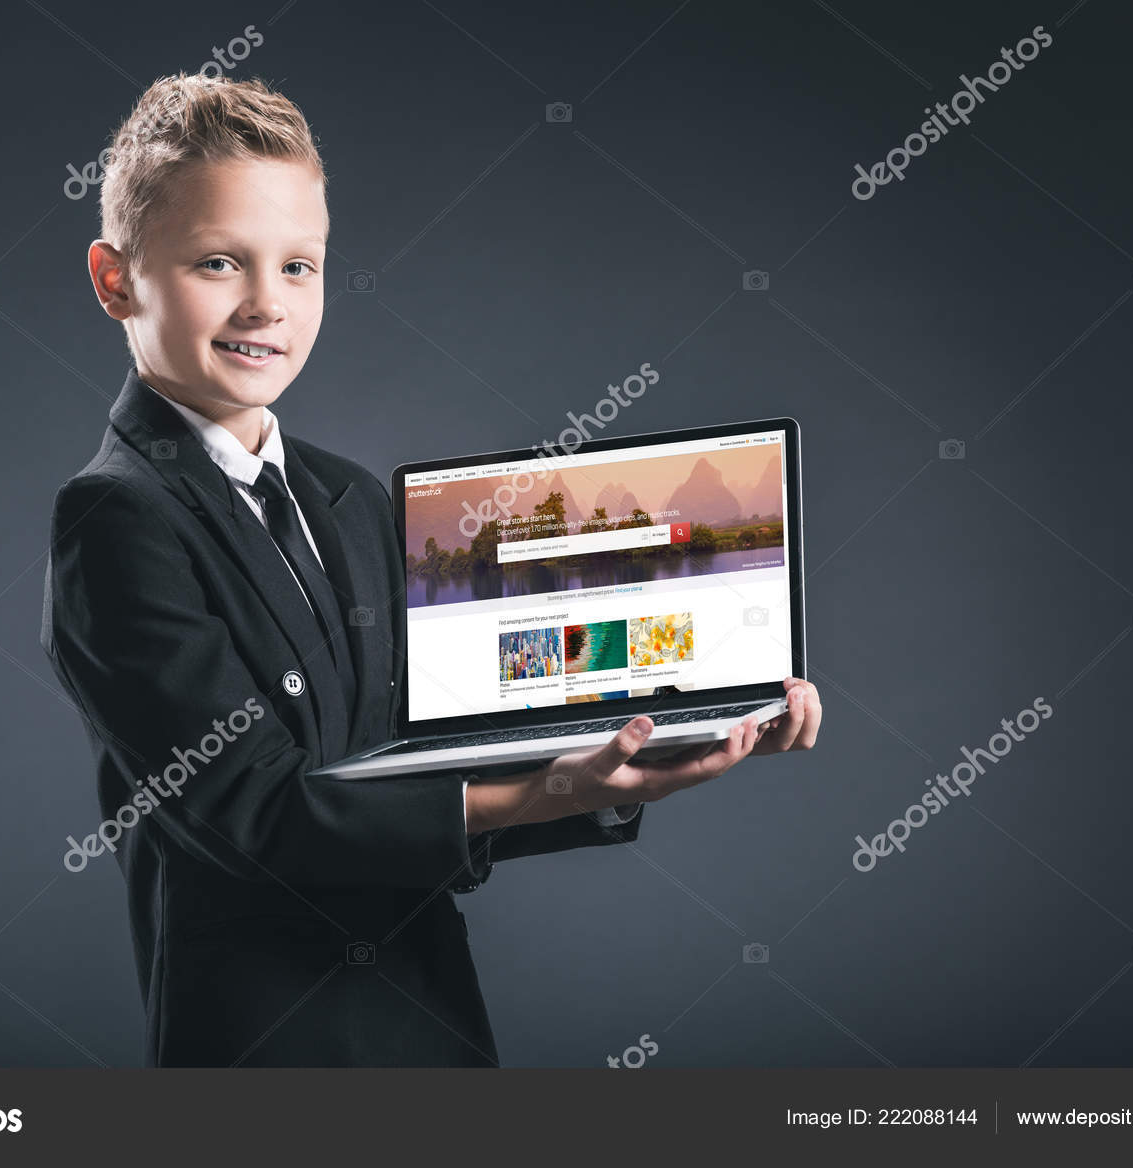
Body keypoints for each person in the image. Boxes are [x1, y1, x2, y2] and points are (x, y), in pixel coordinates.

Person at [40, 72, 822, 1067]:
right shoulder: (115, 517)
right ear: (117, 280)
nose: (264, 304)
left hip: (432, 1022)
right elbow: (251, 816)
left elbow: (417, 778)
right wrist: (542, 791)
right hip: (267, 1050)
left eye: (299, 267)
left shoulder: (352, 498)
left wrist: (623, 770)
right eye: (217, 262)